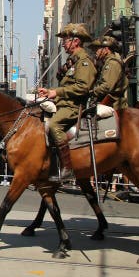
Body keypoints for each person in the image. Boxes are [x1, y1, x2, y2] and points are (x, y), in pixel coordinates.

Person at [37, 23, 97, 181]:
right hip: (63, 103)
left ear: (76, 41)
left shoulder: (84, 62)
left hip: (74, 106)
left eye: (66, 39)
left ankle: (67, 168)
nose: (63, 43)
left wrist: (55, 92)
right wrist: (49, 94)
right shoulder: (73, 62)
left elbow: (82, 87)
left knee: (54, 125)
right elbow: (66, 87)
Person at [88, 34, 128, 110]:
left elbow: (107, 87)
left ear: (106, 50)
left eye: (97, 49)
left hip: (113, 106)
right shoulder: (105, 63)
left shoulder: (112, 63)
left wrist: (91, 92)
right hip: (107, 103)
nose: (95, 52)